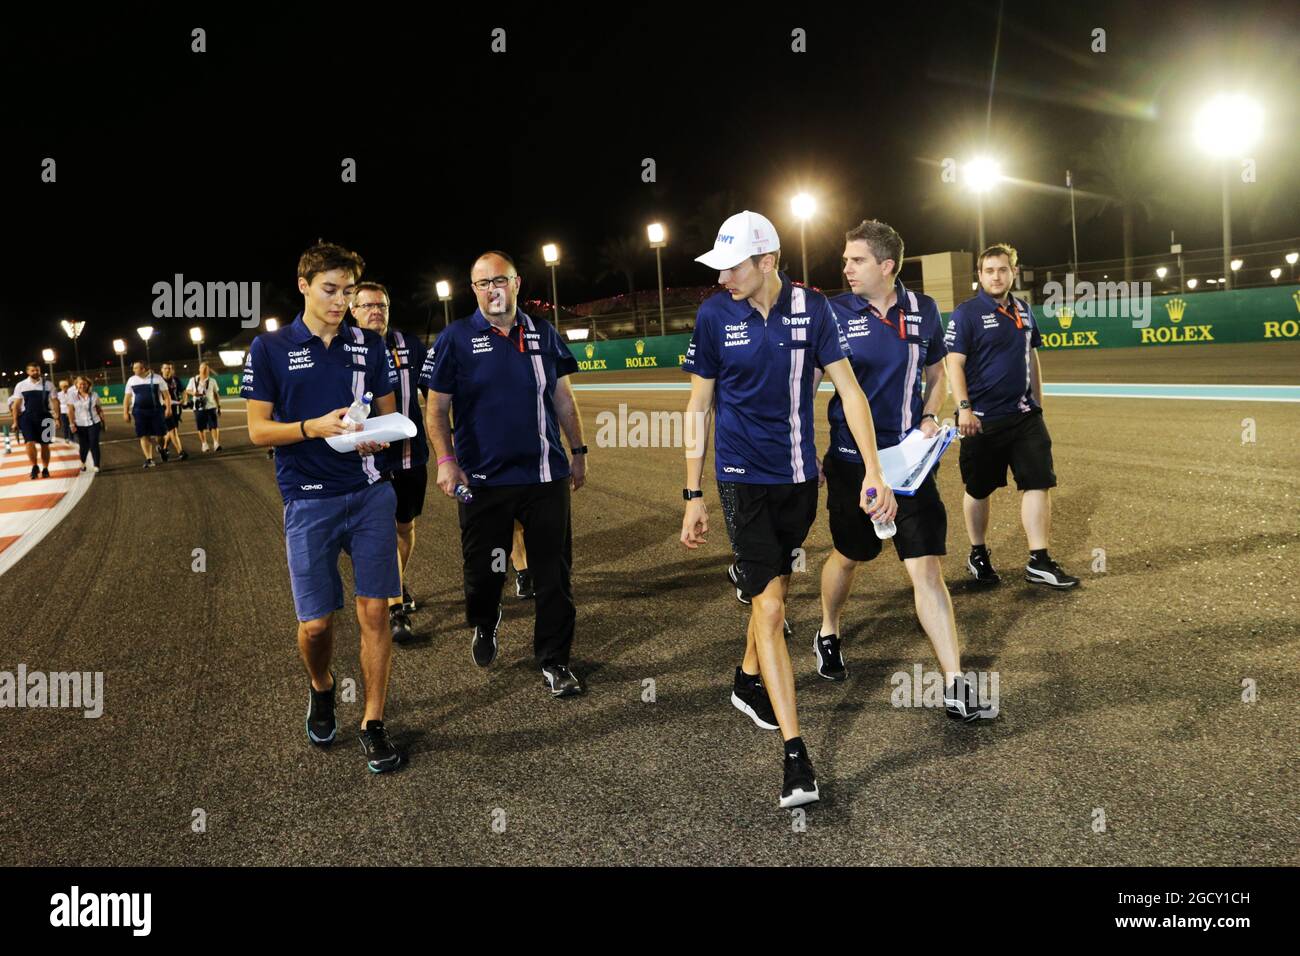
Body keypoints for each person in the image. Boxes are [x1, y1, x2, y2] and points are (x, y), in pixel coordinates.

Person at [680, 210, 896, 809]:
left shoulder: (813, 307)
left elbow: (850, 391)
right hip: (742, 480)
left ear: (768, 261)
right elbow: (698, 408)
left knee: (771, 587)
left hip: (801, 481)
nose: (724, 277)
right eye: (719, 267)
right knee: (772, 608)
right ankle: (797, 758)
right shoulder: (714, 314)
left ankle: (746, 680)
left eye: (733, 266)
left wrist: (874, 472)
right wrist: (693, 494)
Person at [820, 219, 993, 720]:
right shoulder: (832, 313)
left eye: (856, 260)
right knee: (850, 556)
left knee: (926, 568)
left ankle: (955, 683)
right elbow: (804, 383)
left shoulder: (923, 309)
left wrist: (927, 414)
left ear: (886, 266)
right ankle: (829, 628)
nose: (846, 268)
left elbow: (937, 370)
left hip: (909, 464)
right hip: (853, 463)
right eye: (847, 259)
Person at [242, 241, 404, 773]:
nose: (340, 301)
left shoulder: (369, 344)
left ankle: (374, 722)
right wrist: (314, 428)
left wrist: (377, 437)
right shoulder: (269, 348)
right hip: (308, 500)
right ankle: (322, 686)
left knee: (376, 609)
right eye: (330, 290)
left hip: (370, 492)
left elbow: (388, 415)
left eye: (348, 291)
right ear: (304, 285)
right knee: (316, 625)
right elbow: (258, 430)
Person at [423, 250, 588, 698]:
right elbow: (435, 408)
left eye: (501, 280)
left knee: (554, 573)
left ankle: (555, 660)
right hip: (482, 482)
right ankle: (485, 620)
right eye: (483, 283)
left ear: (517, 284)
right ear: (473, 290)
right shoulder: (454, 339)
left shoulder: (542, 333)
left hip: (544, 477)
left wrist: (578, 451)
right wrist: (445, 461)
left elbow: (563, 398)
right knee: (483, 571)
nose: (493, 289)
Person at [945, 243, 1079, 589]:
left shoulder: (1023, 309)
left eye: (1002, 270)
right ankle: (978, 552)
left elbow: (1031, 357)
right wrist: (964, 408)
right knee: (978, 489)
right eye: (989, 270)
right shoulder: (966, 314)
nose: (996, 276)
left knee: (1038, 481)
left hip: (1024, 417)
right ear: (980, 275)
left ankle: (1039, 560)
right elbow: (953, 363)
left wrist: (1038, 402)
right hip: (981, 420)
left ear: (1013, 273)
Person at [350, 280, 428, 645]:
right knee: (381, 534)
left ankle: (396, 583)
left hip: (412, 455)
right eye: (367, 306)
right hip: (371, 462)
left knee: (404, 528)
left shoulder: (409, 345)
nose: (375, 311)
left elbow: (437, 392)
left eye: (381, 305)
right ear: (353, 311)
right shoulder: (344, 350)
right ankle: (395, 608)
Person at [10, 363, 57, 479]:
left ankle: (45, 468)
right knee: (29, 442)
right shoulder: (21, 385)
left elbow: (55, 401)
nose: (35, 372)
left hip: (46, 417)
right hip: (27, 418)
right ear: (28, 372)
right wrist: (15, 422)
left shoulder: (49, 384)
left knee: (45, 444)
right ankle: (34, 466)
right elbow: (16, 405)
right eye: (32, 370)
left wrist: (58, 418)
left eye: (37, 370)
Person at [123, 360, 171, 468]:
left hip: (156, 411)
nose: (133, 370)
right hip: (139, 412)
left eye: (136, 368)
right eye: (134, 368)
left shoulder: (157, 378)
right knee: (144, 435)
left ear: (143, 369)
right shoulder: (131, 380)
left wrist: (168, 408)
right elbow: (127, 397)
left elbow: (166, 395)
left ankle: (161, 448)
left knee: (160, 435)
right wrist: (125, 412)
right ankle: (149, 459)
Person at [65, 376, 106, 472]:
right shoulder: (72, 396)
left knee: (94, 443)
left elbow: (99, 409)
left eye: (84, 384)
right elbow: (70, 411)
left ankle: (96, 465)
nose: (82, 386)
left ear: (88, 385)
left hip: (94, 422)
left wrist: (104, 422)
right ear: (76, 385)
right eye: (80, 384)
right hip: (80, 424)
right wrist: (72, 424)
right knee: (83, 445)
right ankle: (82, 462)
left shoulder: (94, 395)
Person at [186, 362, 223, 452]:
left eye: (207, 369)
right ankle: (204, 444)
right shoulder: (193, 380)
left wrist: (219, 406)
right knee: (201, 427)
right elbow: (187, 390)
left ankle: (216, 443)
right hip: (198, 407)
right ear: (199, 369)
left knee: (214, 426)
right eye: (203, 368)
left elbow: (216, 394)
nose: (205, 370)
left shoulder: (212, 380)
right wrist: (194, 393)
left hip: (211, 406)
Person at [159, 362, 189, 462]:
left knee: (173, 429)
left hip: (177, 408)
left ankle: (163, 449)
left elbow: (184, 391)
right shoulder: (158, 381)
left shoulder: (176, 380)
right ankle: (180, 452)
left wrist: (184, 400)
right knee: (173, 430)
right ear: (162, 370)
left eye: (169, 368)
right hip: (165, 408)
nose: (168, 370)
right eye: (166, 368)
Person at [56, 379, 74, 444]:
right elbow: (57, 404)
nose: (65, 387)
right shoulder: (58, 394)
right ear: (60, 387)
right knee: (65, 426)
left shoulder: (71, 393)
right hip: (63, 412)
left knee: (71, 424)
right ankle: (66, 438)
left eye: (66, 386)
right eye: (63, 386)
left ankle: (72, 438)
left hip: (70, 411)